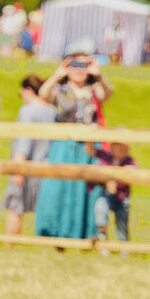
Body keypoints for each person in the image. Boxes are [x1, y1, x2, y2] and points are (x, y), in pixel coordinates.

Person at [34, 47, 113, 240]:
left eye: (84, 64)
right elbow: (43, 94)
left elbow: (108, 94)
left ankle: (85, 232)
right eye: (75, 64)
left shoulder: (94, 89)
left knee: (87, 188)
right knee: (58, 186)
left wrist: (99, 75)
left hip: (88, 148)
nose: (79, 69)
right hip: (63, 145)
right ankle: (55, 231)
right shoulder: (60, 89)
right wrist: (58, 73)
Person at [1, 74, 56, 238]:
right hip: (46, 167)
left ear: (28, 91)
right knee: (46, 208)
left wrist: (18, 167)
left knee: (16, 207)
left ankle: (11, 244)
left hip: (26, 165)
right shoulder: (52, 111)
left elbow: (24, 140)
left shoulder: (27, 111)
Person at [92, 142, 136, 243]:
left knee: (122, 222)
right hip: (108, 195)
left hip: (122, 197)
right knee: (101, 206)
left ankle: (123, 244)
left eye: (124, 148)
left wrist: (120, 176)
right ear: (112, 148)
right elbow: (99, 170)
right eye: (119, 147)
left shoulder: (129, 161)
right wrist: (107, 181)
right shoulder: (107, 158)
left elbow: (134, 171)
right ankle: (102, 234)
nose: (122, 150)